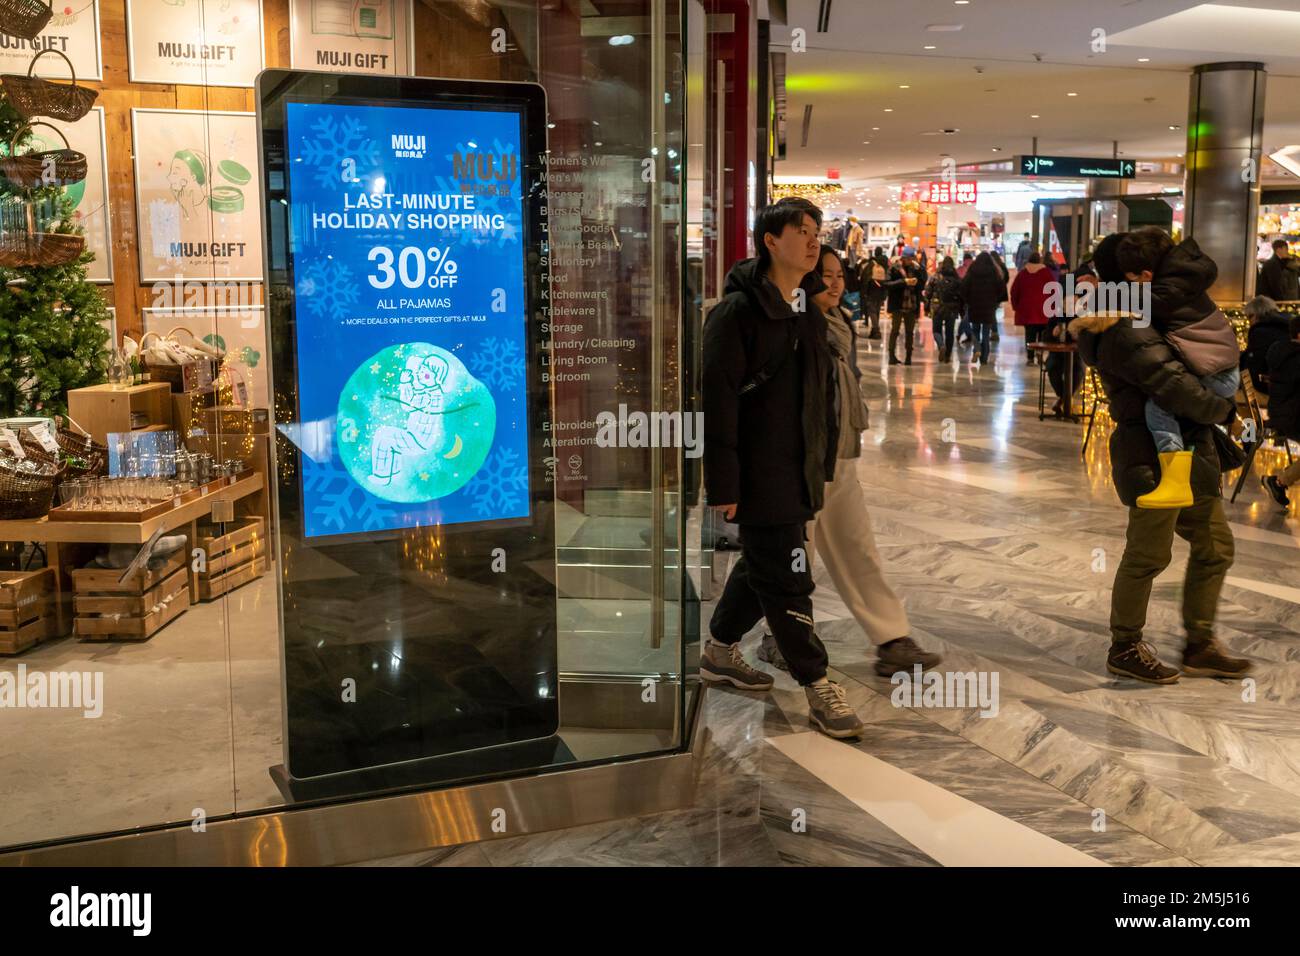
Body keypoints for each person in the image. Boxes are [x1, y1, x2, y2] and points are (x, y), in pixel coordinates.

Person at [701, 197, 864, 740]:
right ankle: (817, 683)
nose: (814, 241)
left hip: (799, 467)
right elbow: (718, 403)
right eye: (801, 231)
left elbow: (817, 398)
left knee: (763, 564)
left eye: (816, 231)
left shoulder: (807, 311)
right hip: (757, 471)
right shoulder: (737, 313)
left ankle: (719, 652)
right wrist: (723, 483)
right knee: (790, 576)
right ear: (770, 241)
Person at [1071, 232, 1251, 684]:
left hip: (1191, 453)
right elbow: (1173, 385)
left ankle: (1200, 643)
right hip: (1152, 458)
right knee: (1149, 554)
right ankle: (1125, 645)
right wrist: (1223, 409)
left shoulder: (1145, 312)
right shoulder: (1125, 328)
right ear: (1132, 277)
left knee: (1215, 547)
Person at [760, 246, 943, 677]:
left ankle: (891, 637)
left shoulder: (841, 325)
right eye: (826, 275)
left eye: (840, 275)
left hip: (839, 456)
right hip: (799, 463)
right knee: (785, 557)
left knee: (857, 548)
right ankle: (773, 638)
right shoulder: (793, 326)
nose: (836, 283)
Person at [1117, 227, 1242, 510]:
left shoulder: (1164, 292)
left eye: (1132, 281)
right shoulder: (1183, 278)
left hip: (1217, 374)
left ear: (1147, 276)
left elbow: (1142, 303)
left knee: (1158, 408)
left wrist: (1106, 296)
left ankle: (1175, 482)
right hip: (1221, 367)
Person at [1261, 314, 1300, 509]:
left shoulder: (1283, 352)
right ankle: (1278, 482)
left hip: (1283, 413)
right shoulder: (1296, 358)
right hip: (1291, 417)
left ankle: (1279, 481)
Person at [960, 251, 1007, 365]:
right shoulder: (995, 273)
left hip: (974, 306)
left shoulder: (972, 271)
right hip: (989, 307)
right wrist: (996, 300)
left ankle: (977, 350)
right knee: (986, 333)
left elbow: (964, 287)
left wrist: (967, 300)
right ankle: (984, 359)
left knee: (975, 330)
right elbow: (1002, 289)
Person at [1009, 251, 1054, 365]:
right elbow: (1054, 290)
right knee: (1042, 334)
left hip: (1027, 310)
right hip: (1044, 309)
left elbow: (1014, 291)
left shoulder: (1022, 274)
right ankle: (1039, 354)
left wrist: (1016, 306)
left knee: (1030, 335)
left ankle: (1030, 358)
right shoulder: (1046, 273)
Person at [1240, 295, 1291, 393]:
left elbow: (1254, 365)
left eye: (1249, 317)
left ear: (1255, 315)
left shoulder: (1260, 331)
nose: (1249, 322)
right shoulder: (1287, 323)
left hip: (1273, 389)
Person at [884, 245, 926, 365]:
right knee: (895, 330)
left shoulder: (915, 269)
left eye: (911, 258)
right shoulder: (894, 268)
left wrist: (920, 271)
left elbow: (922, 285)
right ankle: (891, 356)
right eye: (908, 258)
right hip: (898, 305)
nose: (910, 261)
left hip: (911, 305)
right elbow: (887, 284)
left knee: (909, 332)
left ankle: (908, 357)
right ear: (903, 258)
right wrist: (904, 282)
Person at [924, 255, 963, 363]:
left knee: (936, 330)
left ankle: (941, 345)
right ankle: (947, 356)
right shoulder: (956, 278)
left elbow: (928, 293)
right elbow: (961, 295)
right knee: (950, 332)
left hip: (937, 307)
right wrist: (961, 310)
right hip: (952, 308)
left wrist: (926, 307)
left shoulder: (935, 276)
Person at [859, 253, 887, 339]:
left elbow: (865, 280)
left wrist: (864, 293)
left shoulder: (870, 266)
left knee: (872, 311)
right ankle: (874, 331)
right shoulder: (883, 267)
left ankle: (876, 330)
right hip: (880, 293)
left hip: (871, 292)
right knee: (876, 311)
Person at [956, 251, 975, 344]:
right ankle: (968, 334)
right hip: (972, 297)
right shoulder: (975, 269)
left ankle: (964, 334)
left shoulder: (959, 269)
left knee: (964, 316)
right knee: (967, 317)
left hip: (961, 297)